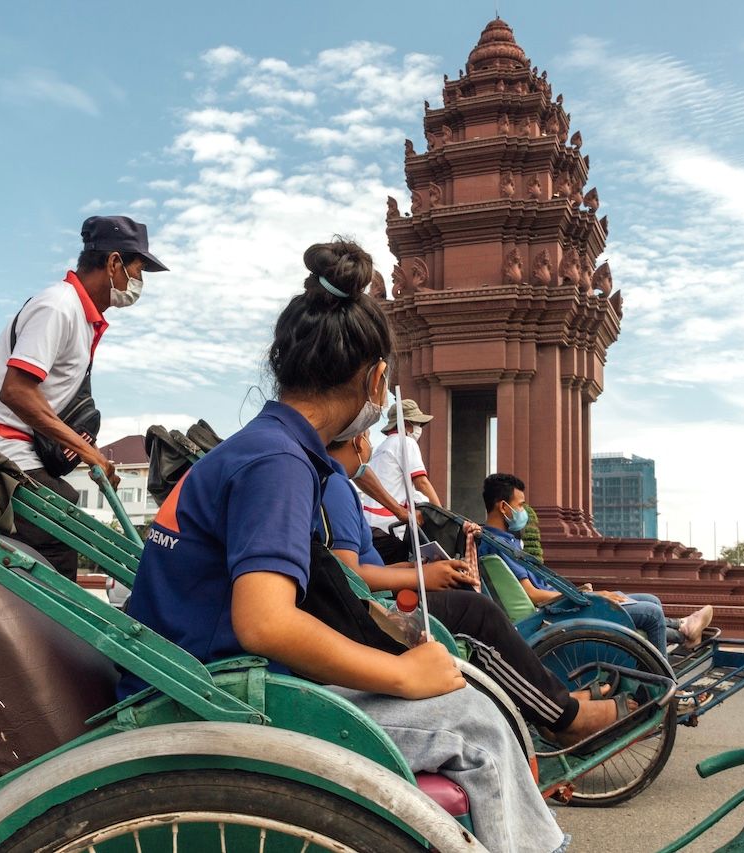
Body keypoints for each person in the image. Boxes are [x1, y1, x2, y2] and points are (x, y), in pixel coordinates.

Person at [121, 239, 566, 853]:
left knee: (466, 696)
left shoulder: (263, 446)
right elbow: (265, 622)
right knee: (477, 726)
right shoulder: (278, 463)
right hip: (220, 697)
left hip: (202, 678)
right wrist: (401, 675)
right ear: (375, 377)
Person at [323, 432, 631, 744]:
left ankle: (548, 701)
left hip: (376, 599)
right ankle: (562, 716)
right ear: (357, 441)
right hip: (375, 612)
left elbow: (355, 569)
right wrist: (420, 576)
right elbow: (349, 574)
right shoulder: (336, 487)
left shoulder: (336, 484)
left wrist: (417, 569)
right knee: (478, 612)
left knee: (470, 598)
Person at [0, 215, 166, 581]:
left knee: (68, 512)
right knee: (60, 526)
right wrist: (87, 452)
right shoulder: (58, 307)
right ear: (114, 263)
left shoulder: (83, 317)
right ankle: (52, 636)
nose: (138, 284)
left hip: (26, 452)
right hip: (3, 450)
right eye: (138, 271)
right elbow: (16, 391)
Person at [480, 473, 713, 656]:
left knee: (650, 600)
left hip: (560, 604)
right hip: (552, 614)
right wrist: (589, 598)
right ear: (503, 507)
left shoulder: (500, 541)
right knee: (651, 613)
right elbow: (532, 595)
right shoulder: (500, 545)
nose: (523, 512)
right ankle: (666, 683)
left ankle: (684, 628)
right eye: (519, 505)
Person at [361, 399, 442, 562]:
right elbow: (421, 483)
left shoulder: (382, 448)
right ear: (406, 424)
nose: (420, 429)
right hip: (390, 526)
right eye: (418, 424)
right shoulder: (406, 442)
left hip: (371, 526)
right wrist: (442, 515)